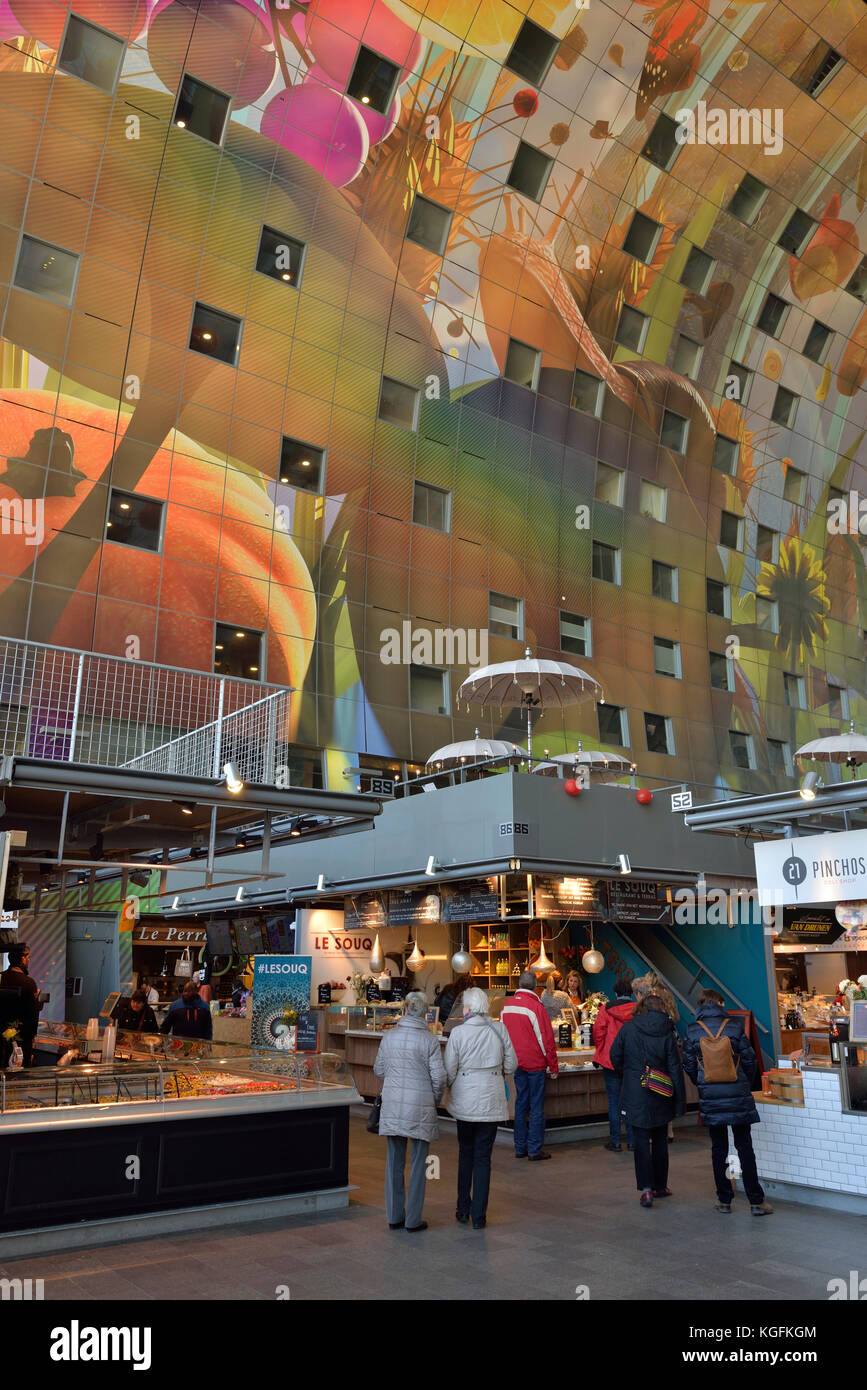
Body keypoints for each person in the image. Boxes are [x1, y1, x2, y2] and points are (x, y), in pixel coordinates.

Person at [682, 988, 773, 1216]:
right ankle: (756, 1201)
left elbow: (690, 1066)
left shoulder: (693, 1030)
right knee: (744, 1146)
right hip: (738, 1093)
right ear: (720, 1003)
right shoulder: (733, 1027)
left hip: (711, 1096)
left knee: (719, 1148)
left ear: (701, 1005)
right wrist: (743, 1081)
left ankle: (724, 1200)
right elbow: (750, 1060)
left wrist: (703, 1083)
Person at [444, 987, 518, 1229]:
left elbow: (449, 1070)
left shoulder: (458, 1033)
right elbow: (512, 1063)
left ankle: (462, 1208)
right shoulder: (499, 1029)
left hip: (465, 1100)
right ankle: (479, 1216)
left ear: (468, 1008)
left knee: (465, 1152)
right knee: (483, 1157)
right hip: (491, 1098)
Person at [373, 990, 446, 1232]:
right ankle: (413, 1219)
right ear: (425, 1013)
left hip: (393, 1103)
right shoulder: (429, 1041)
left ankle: (394, 1216)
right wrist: (432, 1101)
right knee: (419, 1164)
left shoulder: (389, 1037)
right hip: (420, 1105)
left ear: (405, 1010)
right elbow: (439, 1078)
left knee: (393, 1161)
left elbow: (379, 1070)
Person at [610, 994, 685, 1207]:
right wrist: (680, 1101)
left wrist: (629, 1074)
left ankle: (646, 1190)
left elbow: (615, 1056)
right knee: (660, 1140)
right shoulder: (667, 1031)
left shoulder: (628, 1028)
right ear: (662, 1008)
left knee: (641, 1141)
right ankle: (660, 1185)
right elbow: (674, 1067)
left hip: (636, 1090)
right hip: (661, 1090)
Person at [501, 970, 559, 1161]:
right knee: (536, 1107)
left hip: (517, 1063)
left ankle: (520, 1147)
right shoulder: (536, 1007)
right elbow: (546, 1041)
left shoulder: (506, 1006)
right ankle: (534, 1149)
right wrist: (553, 1066)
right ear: (535, 985)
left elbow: (503, 1038)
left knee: (520, 1104)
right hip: (535, 1064)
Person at [592, 977, 636, 1152]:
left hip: (611, 1062)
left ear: (616, 993)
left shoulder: (606, 1009)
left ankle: (616, 1141)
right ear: (631, 993)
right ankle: (633, 1141)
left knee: (613, 1102)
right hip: (632, 1062)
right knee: (632, 1101)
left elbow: (598, 1032)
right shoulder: (638, 1010)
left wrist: (601, 1051)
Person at [0, 942, 44, 1066]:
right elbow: (32, 1013)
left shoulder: (1, 978)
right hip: (21, 1044)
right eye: (28, 958)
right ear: (22, 958)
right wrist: (37, 1001)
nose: (29, 961)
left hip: (2, 1041)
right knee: (19, 1077)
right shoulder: (29, 983)